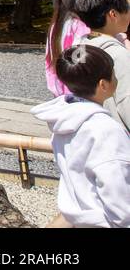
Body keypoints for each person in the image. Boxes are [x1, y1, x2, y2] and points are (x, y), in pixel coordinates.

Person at [32, 44, 130, 227]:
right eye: (113, 74)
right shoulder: (105, 130)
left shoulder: (64, 121)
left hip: (79, 217)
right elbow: (118, 194)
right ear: (103, 85)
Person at [73, 0, 130, 131]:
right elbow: (127, 102)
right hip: (118, 138)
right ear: (113, 14)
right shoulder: (117, 54)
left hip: (91, 131)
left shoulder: (79, 48)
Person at [45, 0, 106, 96]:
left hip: (61, 93)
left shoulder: (57, 23)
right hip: (80, 96)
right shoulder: (80, 27)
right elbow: (81, 65)